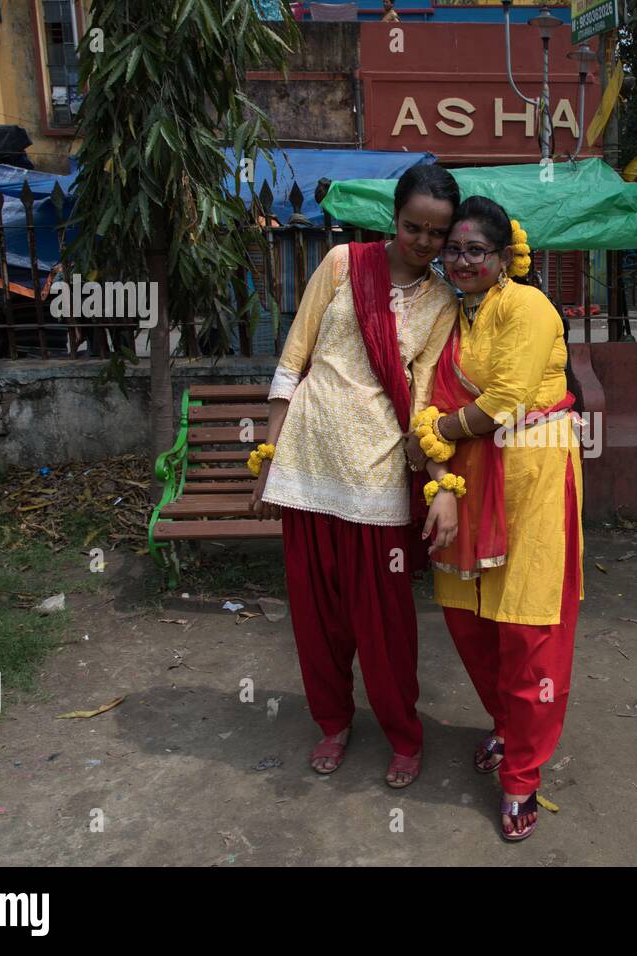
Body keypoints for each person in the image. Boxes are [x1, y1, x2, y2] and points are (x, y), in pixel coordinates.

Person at [249, 164, 461, 788]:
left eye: (437, 234)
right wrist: (267, 458)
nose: (423, 242)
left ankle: (403, 733)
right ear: (393, 219)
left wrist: (438, 480)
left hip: (377, 475)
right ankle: (333, 722)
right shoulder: (343, 263)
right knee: (317, 615)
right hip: (307, 464)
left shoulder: (444, 301)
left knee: (385, 621)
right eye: (413, 227)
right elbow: (294, 358)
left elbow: (424, 398)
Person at [410, 196, 582, 842]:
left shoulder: (529, 308)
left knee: (528, 627)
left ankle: (523, 777)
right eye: (452, 250)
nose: (460, 260)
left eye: (474, 250)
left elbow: (508, 399)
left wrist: (442, 426)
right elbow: (423, 390)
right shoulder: (452, 315)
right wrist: (433, 438)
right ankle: (507, 726)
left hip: (533, 476)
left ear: (504, 258)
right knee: (467, 616)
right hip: (466, 479)